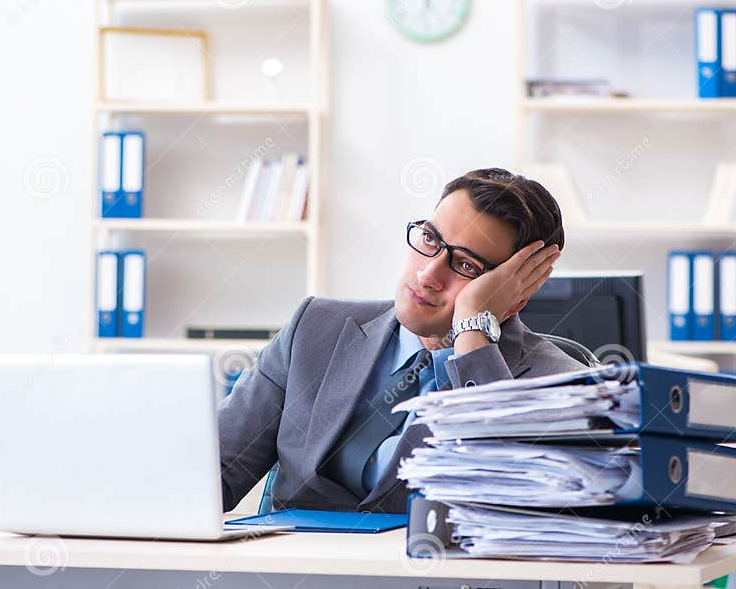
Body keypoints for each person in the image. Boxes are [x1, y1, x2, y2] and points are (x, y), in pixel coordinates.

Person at [218, 167, 587, 513]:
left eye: (466, 266)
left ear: (515, 295)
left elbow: (509, 507)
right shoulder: (315, 328)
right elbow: (213, 473)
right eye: (430, 239)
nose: (428, 274)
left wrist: (473, 328)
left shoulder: (557, 385)